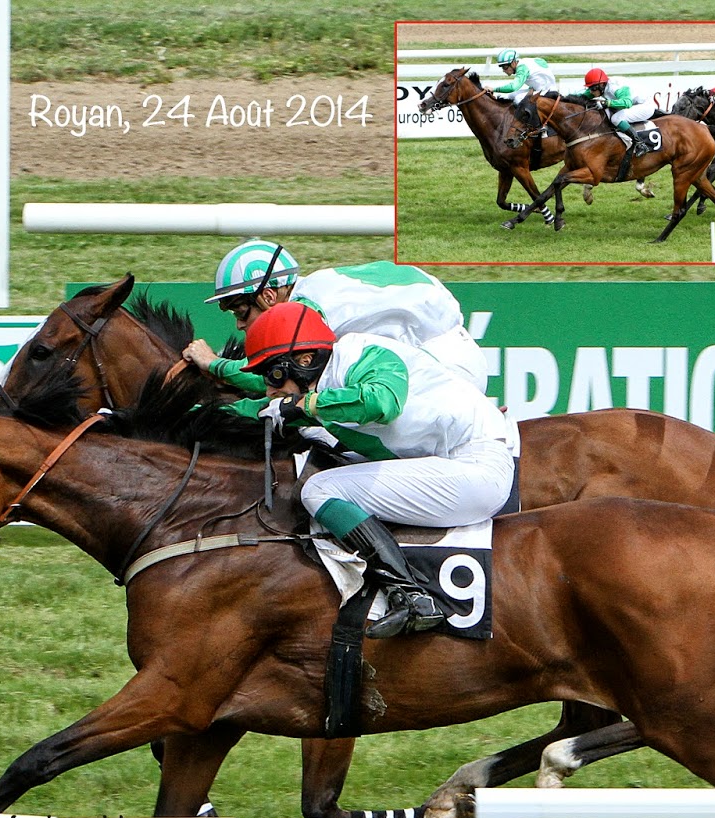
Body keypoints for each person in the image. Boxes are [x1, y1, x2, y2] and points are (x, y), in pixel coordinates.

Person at [233, 302, 516, 637]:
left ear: (305, 361)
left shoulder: (363, 355)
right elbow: (256, 408)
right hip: (454, 463)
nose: (270, 389)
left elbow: (381, 403)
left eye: (273, 375)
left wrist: (305, 405)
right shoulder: (325, 387)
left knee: (319, 489)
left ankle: (410, 595)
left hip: (476, 468)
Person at [185, 239, 489, 392]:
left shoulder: (304, 311)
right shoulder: (316, 287)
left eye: (241, 311)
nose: (240, 324)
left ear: (268, 296)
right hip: (452, 356)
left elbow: (277, 382)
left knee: (318, 428)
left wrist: (213, 363)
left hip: (445, 373)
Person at [583, 67, 660, 155]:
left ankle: (640, 143)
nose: (591, 92)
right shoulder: (601, 87)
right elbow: (582, 96)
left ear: (601, 85)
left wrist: (606, 103)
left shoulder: (615, 87)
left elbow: (627, 102)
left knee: (616, 118)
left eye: (593, 88)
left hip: (644, 106)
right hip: (634, 105)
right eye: (589, 88)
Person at [491, 48, 557, 127]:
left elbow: (513, 87)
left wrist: (494, 89)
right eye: (501, 67)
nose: (503, 70)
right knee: (511, 95)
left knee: (518, 98)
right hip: (540, 89)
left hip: (547, 91)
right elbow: (542, 62)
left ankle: (530, 125)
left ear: (513, 63)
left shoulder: (522, 68)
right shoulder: (524, 62)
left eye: (505, 67)